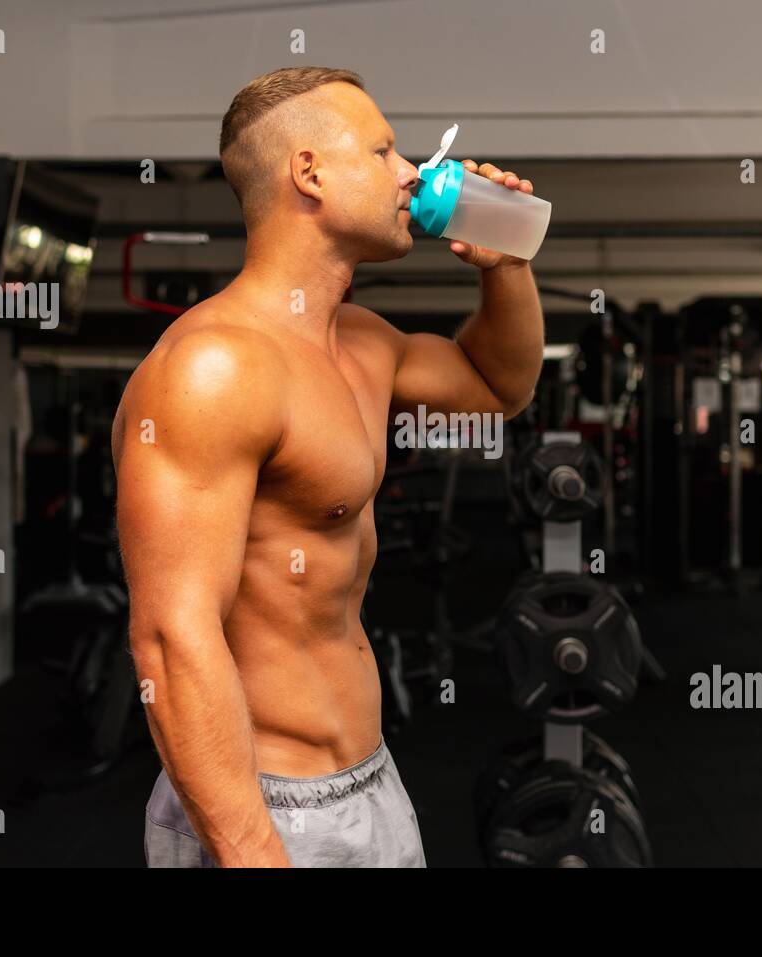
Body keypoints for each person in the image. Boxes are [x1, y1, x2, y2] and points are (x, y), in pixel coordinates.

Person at [112, 66, 544, 867]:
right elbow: (172, 638)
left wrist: (506, 264)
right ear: (308, 173)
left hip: (370, 779)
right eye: (383, 151)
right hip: (261, 806)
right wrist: (252, 851)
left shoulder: (364, 343)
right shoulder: (213, 368)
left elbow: (498, 387)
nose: (411, 171)